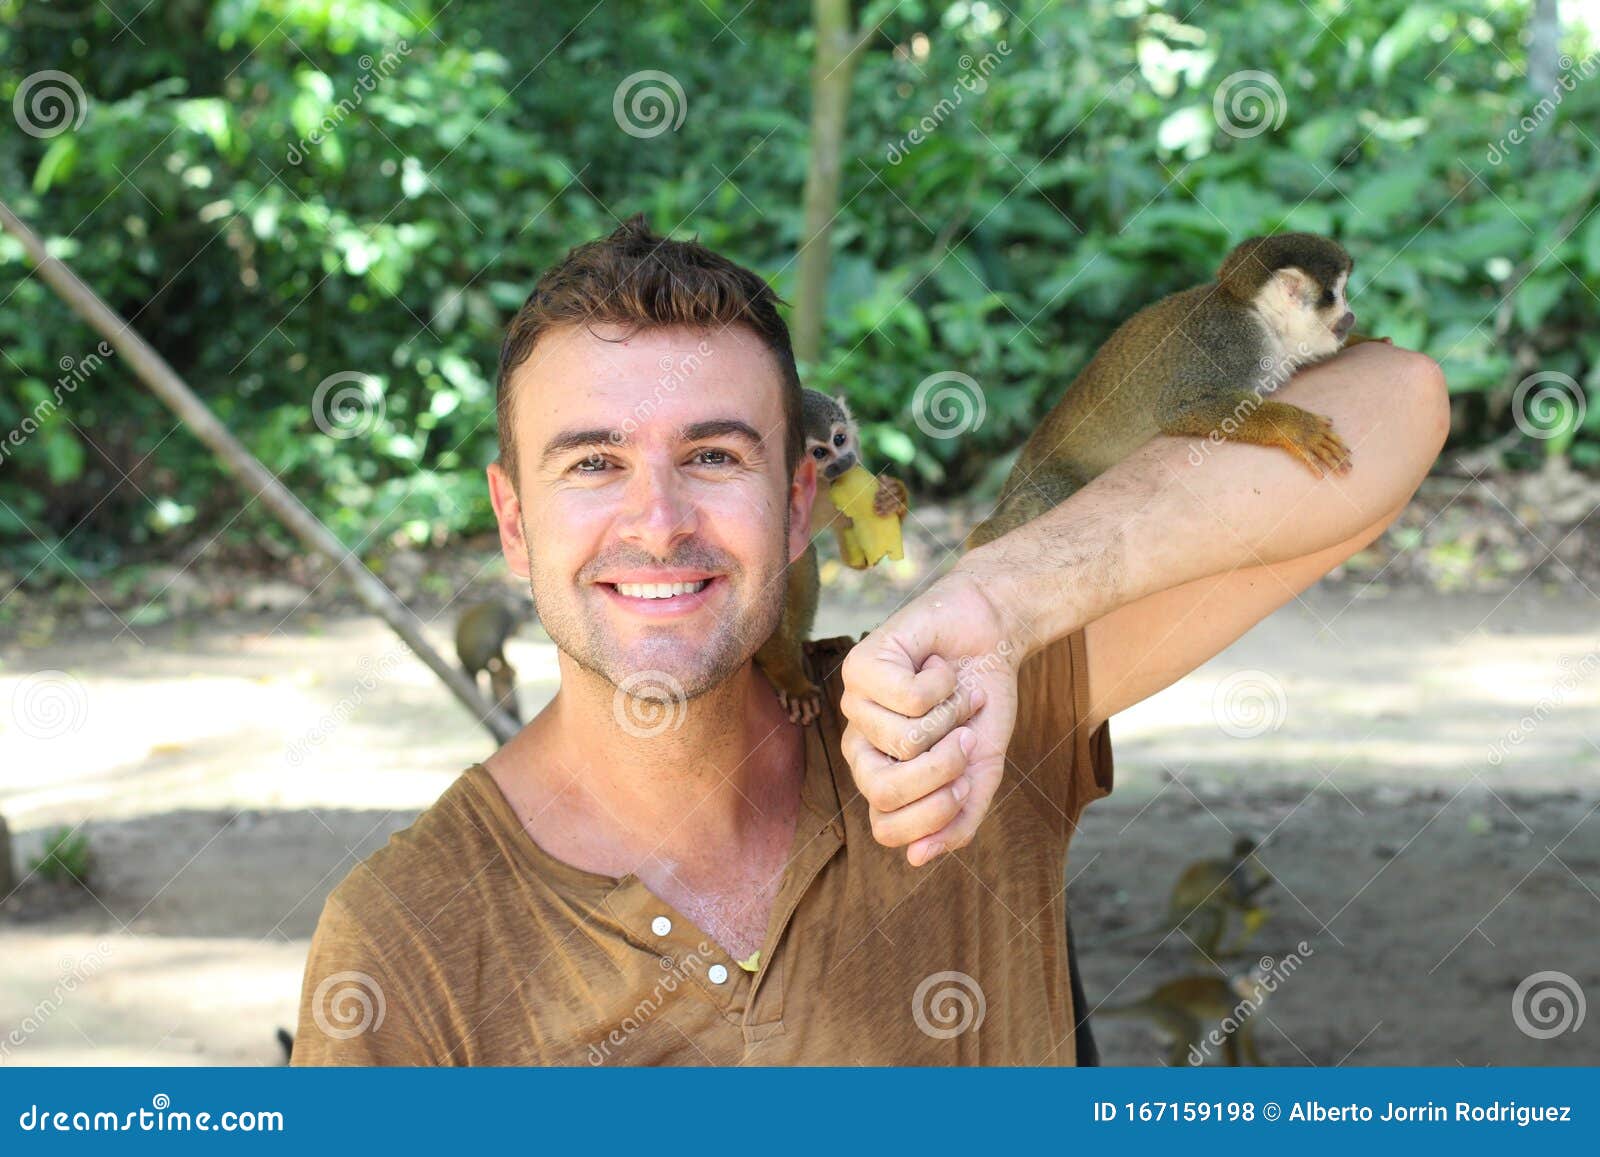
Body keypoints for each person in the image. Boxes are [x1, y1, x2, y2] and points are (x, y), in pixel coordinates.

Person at [291, 214, 1447, 1065]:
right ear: (511, 519)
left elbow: (1399, 404)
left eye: (714, 456)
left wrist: (1004, 601)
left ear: (799, 503)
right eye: (593, 462)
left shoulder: (950, 717)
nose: (658, 520)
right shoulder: (412, 935)